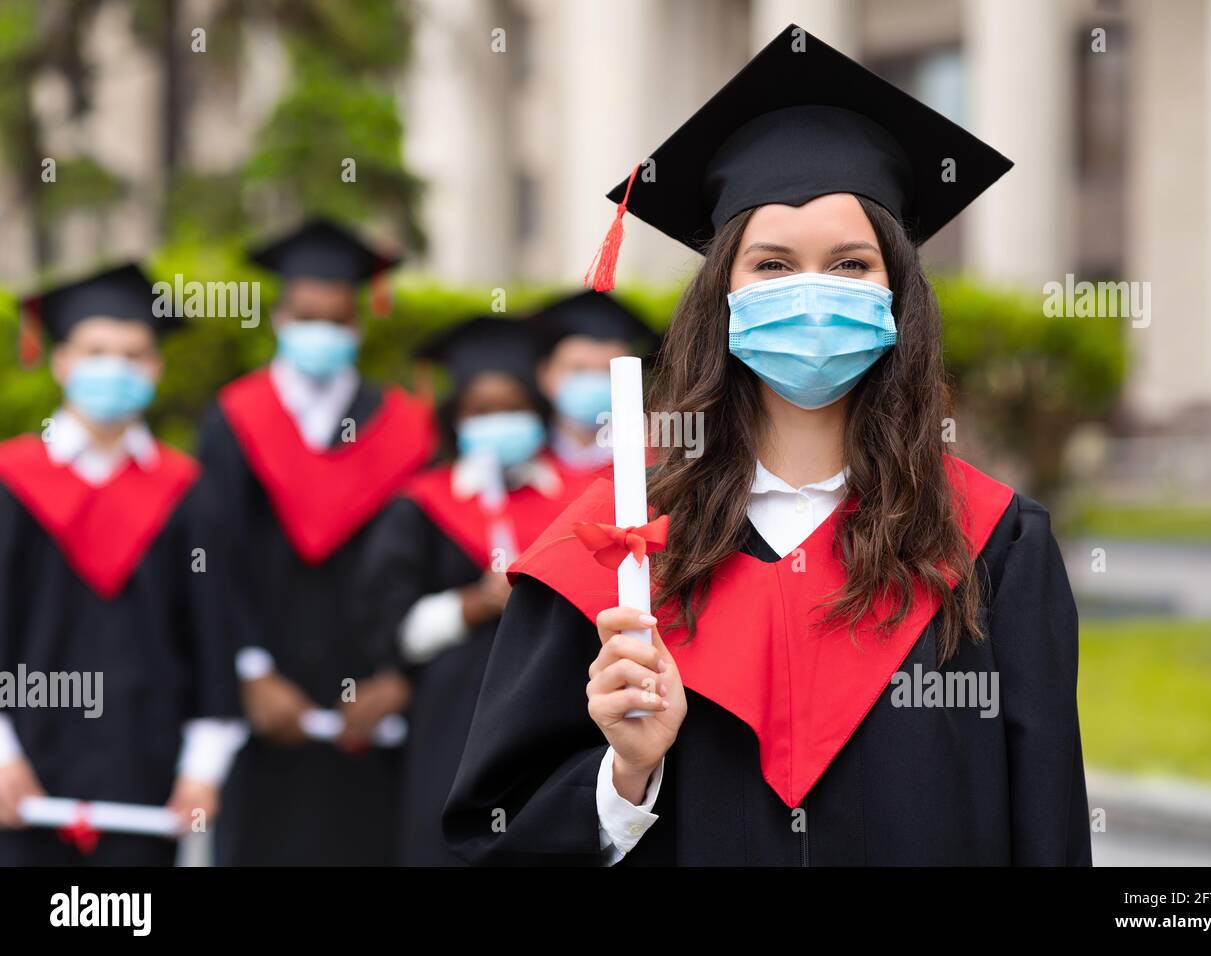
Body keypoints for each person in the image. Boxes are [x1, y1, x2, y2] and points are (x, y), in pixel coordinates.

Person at [444, 24, 1091, 866]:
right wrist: (626, 777)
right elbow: (492, 840)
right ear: (722, 294)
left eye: (852, 265)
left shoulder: (991, 542)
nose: (814, 292)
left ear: (901, 297)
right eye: (774, 266)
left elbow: (1045, 829)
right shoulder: (613, 546)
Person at [199, 218, 434, 865]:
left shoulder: (404, 429)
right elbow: (210, 563)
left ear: (358, 325)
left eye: (335, 318)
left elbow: (427, 567)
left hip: (375, 705)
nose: (320, 332)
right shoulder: (232, 419)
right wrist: (249, 672)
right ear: (279, 315)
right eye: (306, 316)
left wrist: (400, 679)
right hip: (266, 706)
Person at [0, 263, 244, 866]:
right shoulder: (11, 482)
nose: (116, 368)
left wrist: (201, 773)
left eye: (134, 354)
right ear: (61, 362)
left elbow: (213, 642)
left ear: (156, 370)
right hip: (20, 779)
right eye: (97, 351)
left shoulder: (186, 492)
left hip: (149, 783)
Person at [356, 315, 600, 865]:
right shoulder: (420, 506)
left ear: (538, 412)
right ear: (455, 419)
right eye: (480, 412)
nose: (498, 422)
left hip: (562, 712)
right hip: (451, 722)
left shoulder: (585, 500)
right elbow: (391, 632)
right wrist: (473, 605)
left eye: (512, 407)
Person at [530, 290, 657, 477]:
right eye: (579, 369)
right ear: (545, 374)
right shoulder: (523, 472)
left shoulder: (660, 466)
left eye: (609, 370)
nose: (595, 381)